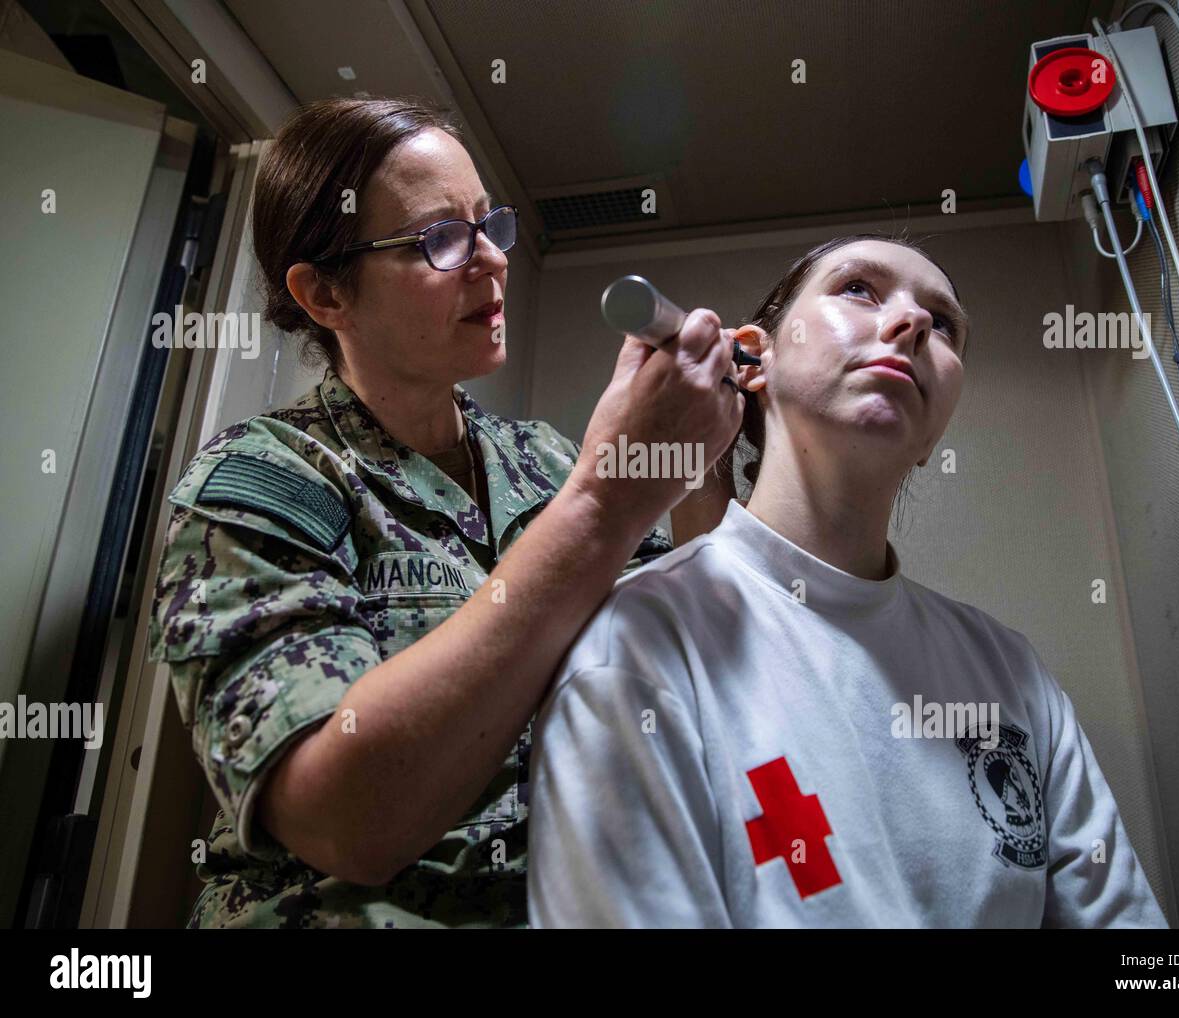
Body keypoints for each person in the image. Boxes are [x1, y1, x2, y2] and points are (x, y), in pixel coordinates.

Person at [147, 96, 743, 928]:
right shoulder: (260, 482)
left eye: (487, 224)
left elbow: (688, 656)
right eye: (439, 240)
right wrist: (605, 502)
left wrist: (696, 458)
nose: (493, 261)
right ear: (324, 294)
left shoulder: (543, 461)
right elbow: (345, 819)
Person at [526, 234, 1169, 928]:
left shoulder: (1011, 674)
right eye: (859, 288)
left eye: (943, 322)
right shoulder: (642, 645)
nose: (914, 322)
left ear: (933, 439)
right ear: (753, 363)